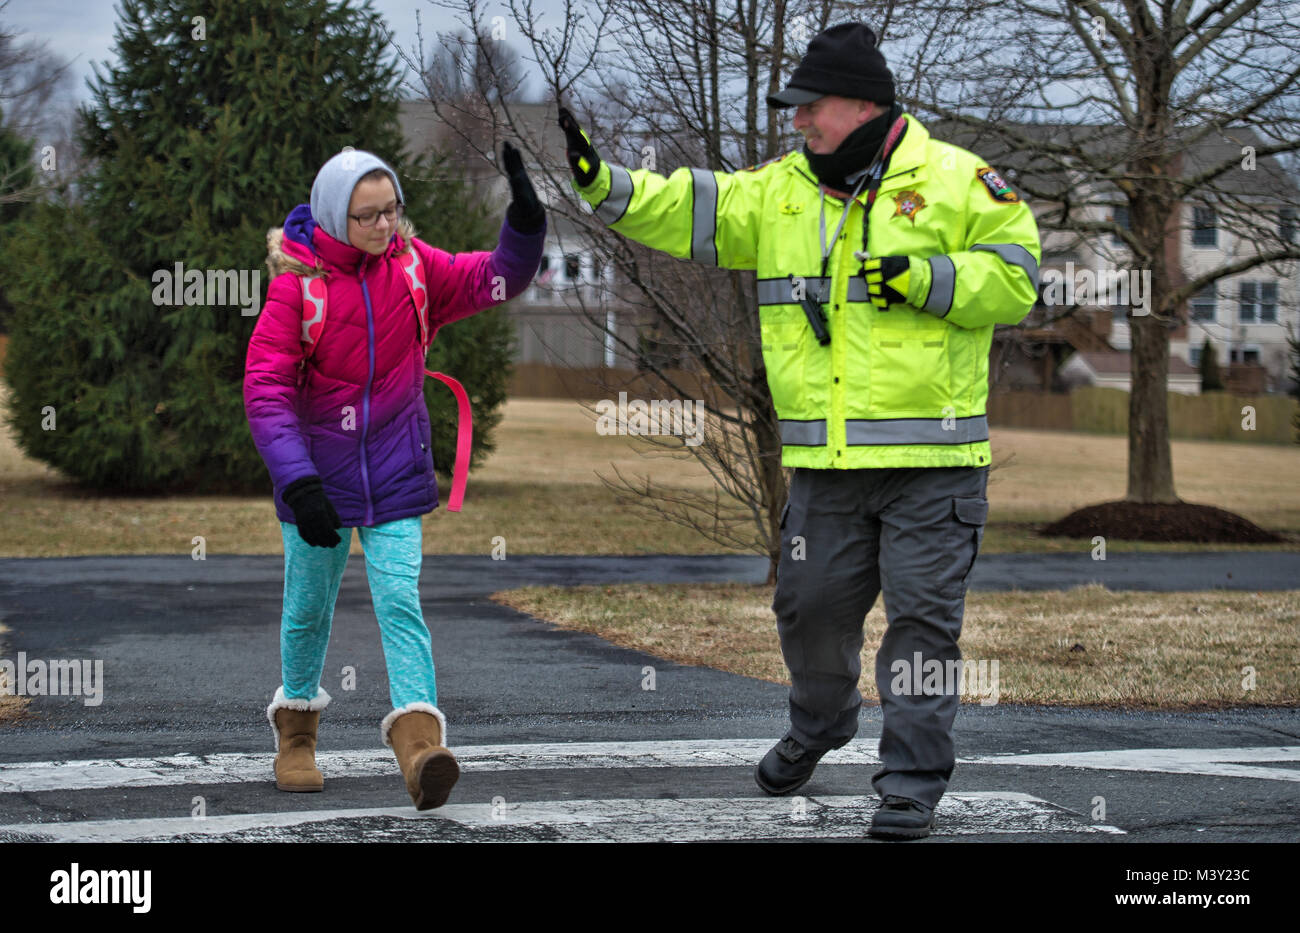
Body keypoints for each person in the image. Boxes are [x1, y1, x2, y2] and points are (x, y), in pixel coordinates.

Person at [558, 22, 1040, 839]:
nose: (796, 122)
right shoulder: (779, 192)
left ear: (861, 104)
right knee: (807, 608)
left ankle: (911, 783)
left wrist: (927, 278)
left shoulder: (959, 181)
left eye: (809, 107)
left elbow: (1020, 278)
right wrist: (603, 184)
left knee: (923, 625)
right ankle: (821, 723)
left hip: (937, 464)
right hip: (826, 466)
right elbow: (689, 205)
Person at [244, 143, 545, 809]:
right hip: (317, 481)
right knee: (307, 611)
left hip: (395, 471)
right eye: (367, 216)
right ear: (332, 215)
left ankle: (419, 745)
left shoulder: (413, 266)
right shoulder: (299, 285)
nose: (385, 226)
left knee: (401, 603)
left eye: (391, 210)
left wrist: (524, 224)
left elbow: (495, 277)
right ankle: (296, 738)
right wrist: (297, 480)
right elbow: (265, 388)